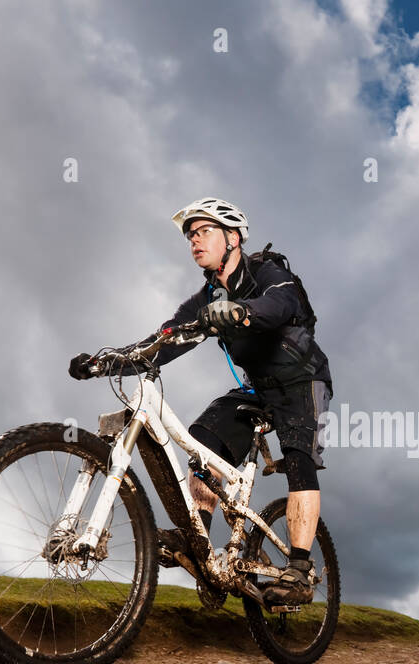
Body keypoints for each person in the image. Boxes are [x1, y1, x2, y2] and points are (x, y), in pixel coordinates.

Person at [69, 197, 332, 606]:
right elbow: (165, 339)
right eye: (191, 236)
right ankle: (201, 542)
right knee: (204, 439)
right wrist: (109, 363)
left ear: (233, 237)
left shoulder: (267, 271)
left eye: (203, 231)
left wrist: (239, 313)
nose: (194, 241)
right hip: (258, 387)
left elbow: (281, 305)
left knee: (298, 456)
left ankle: (299, 568)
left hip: (302, 379)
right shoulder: (206, 299)